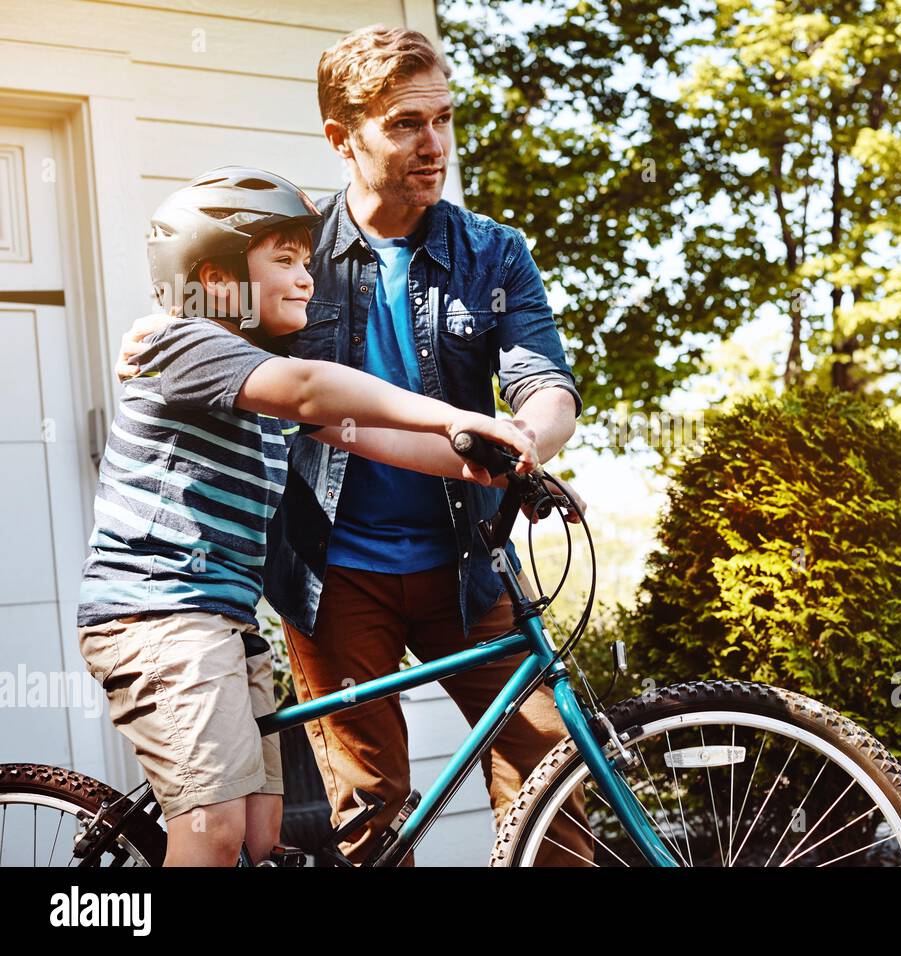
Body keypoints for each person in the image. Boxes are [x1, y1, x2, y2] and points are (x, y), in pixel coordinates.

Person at [115, 27, 595, 865]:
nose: (434, 144)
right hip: (332, 571)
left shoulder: (492, 252)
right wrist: (157, 324)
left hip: (465, 558)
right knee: (372, 808)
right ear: (342, 137)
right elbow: (220, 321)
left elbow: (543, 383)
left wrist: (525, 443)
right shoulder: (293, 251)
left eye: (444, 120)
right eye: (406, 124)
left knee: (552, 773)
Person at [80, 167, 538, 866]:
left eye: (308, 262)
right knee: (212, 834)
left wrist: (500, 465)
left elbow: (368, 434)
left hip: (224, 621)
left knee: (262, 840)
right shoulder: (185, 345)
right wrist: (455, 415)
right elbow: (314, 389)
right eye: (286, 262)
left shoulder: (258, 371)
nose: (307, 279)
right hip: (158, 615)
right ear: (216, 274)